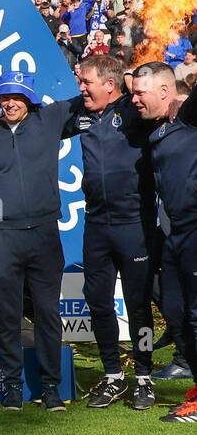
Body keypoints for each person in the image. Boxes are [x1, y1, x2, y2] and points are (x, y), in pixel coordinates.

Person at [0, 71, 76, 411]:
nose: (9, 103)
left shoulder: (49, 119)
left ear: (30, 100)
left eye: (17, 97)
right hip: (2, 237)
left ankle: (51, 387)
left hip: (44, 234)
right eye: (4, 98)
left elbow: (90, 94)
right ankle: (12, 387)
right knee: (8, 317)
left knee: (47, 314)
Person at [74, 55, 162, 409]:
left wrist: (127, 80)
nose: (81, 88)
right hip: (96, 225)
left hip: (134, 226)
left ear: (109, 86)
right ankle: (112, 375)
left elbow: (144, 89)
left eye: (87, 83)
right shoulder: (78, 114)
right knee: (98, 302)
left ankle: (144, 376)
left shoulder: (133, 110)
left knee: (138, 305)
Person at [131, 62, 197, 423]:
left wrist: (185, 98)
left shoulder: (188, 117)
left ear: (164, 92)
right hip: (173, 237)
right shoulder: (155, 126)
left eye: (141, 93)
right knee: (174, 310)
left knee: (195, 314)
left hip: (194, 231)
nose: (134, 99)